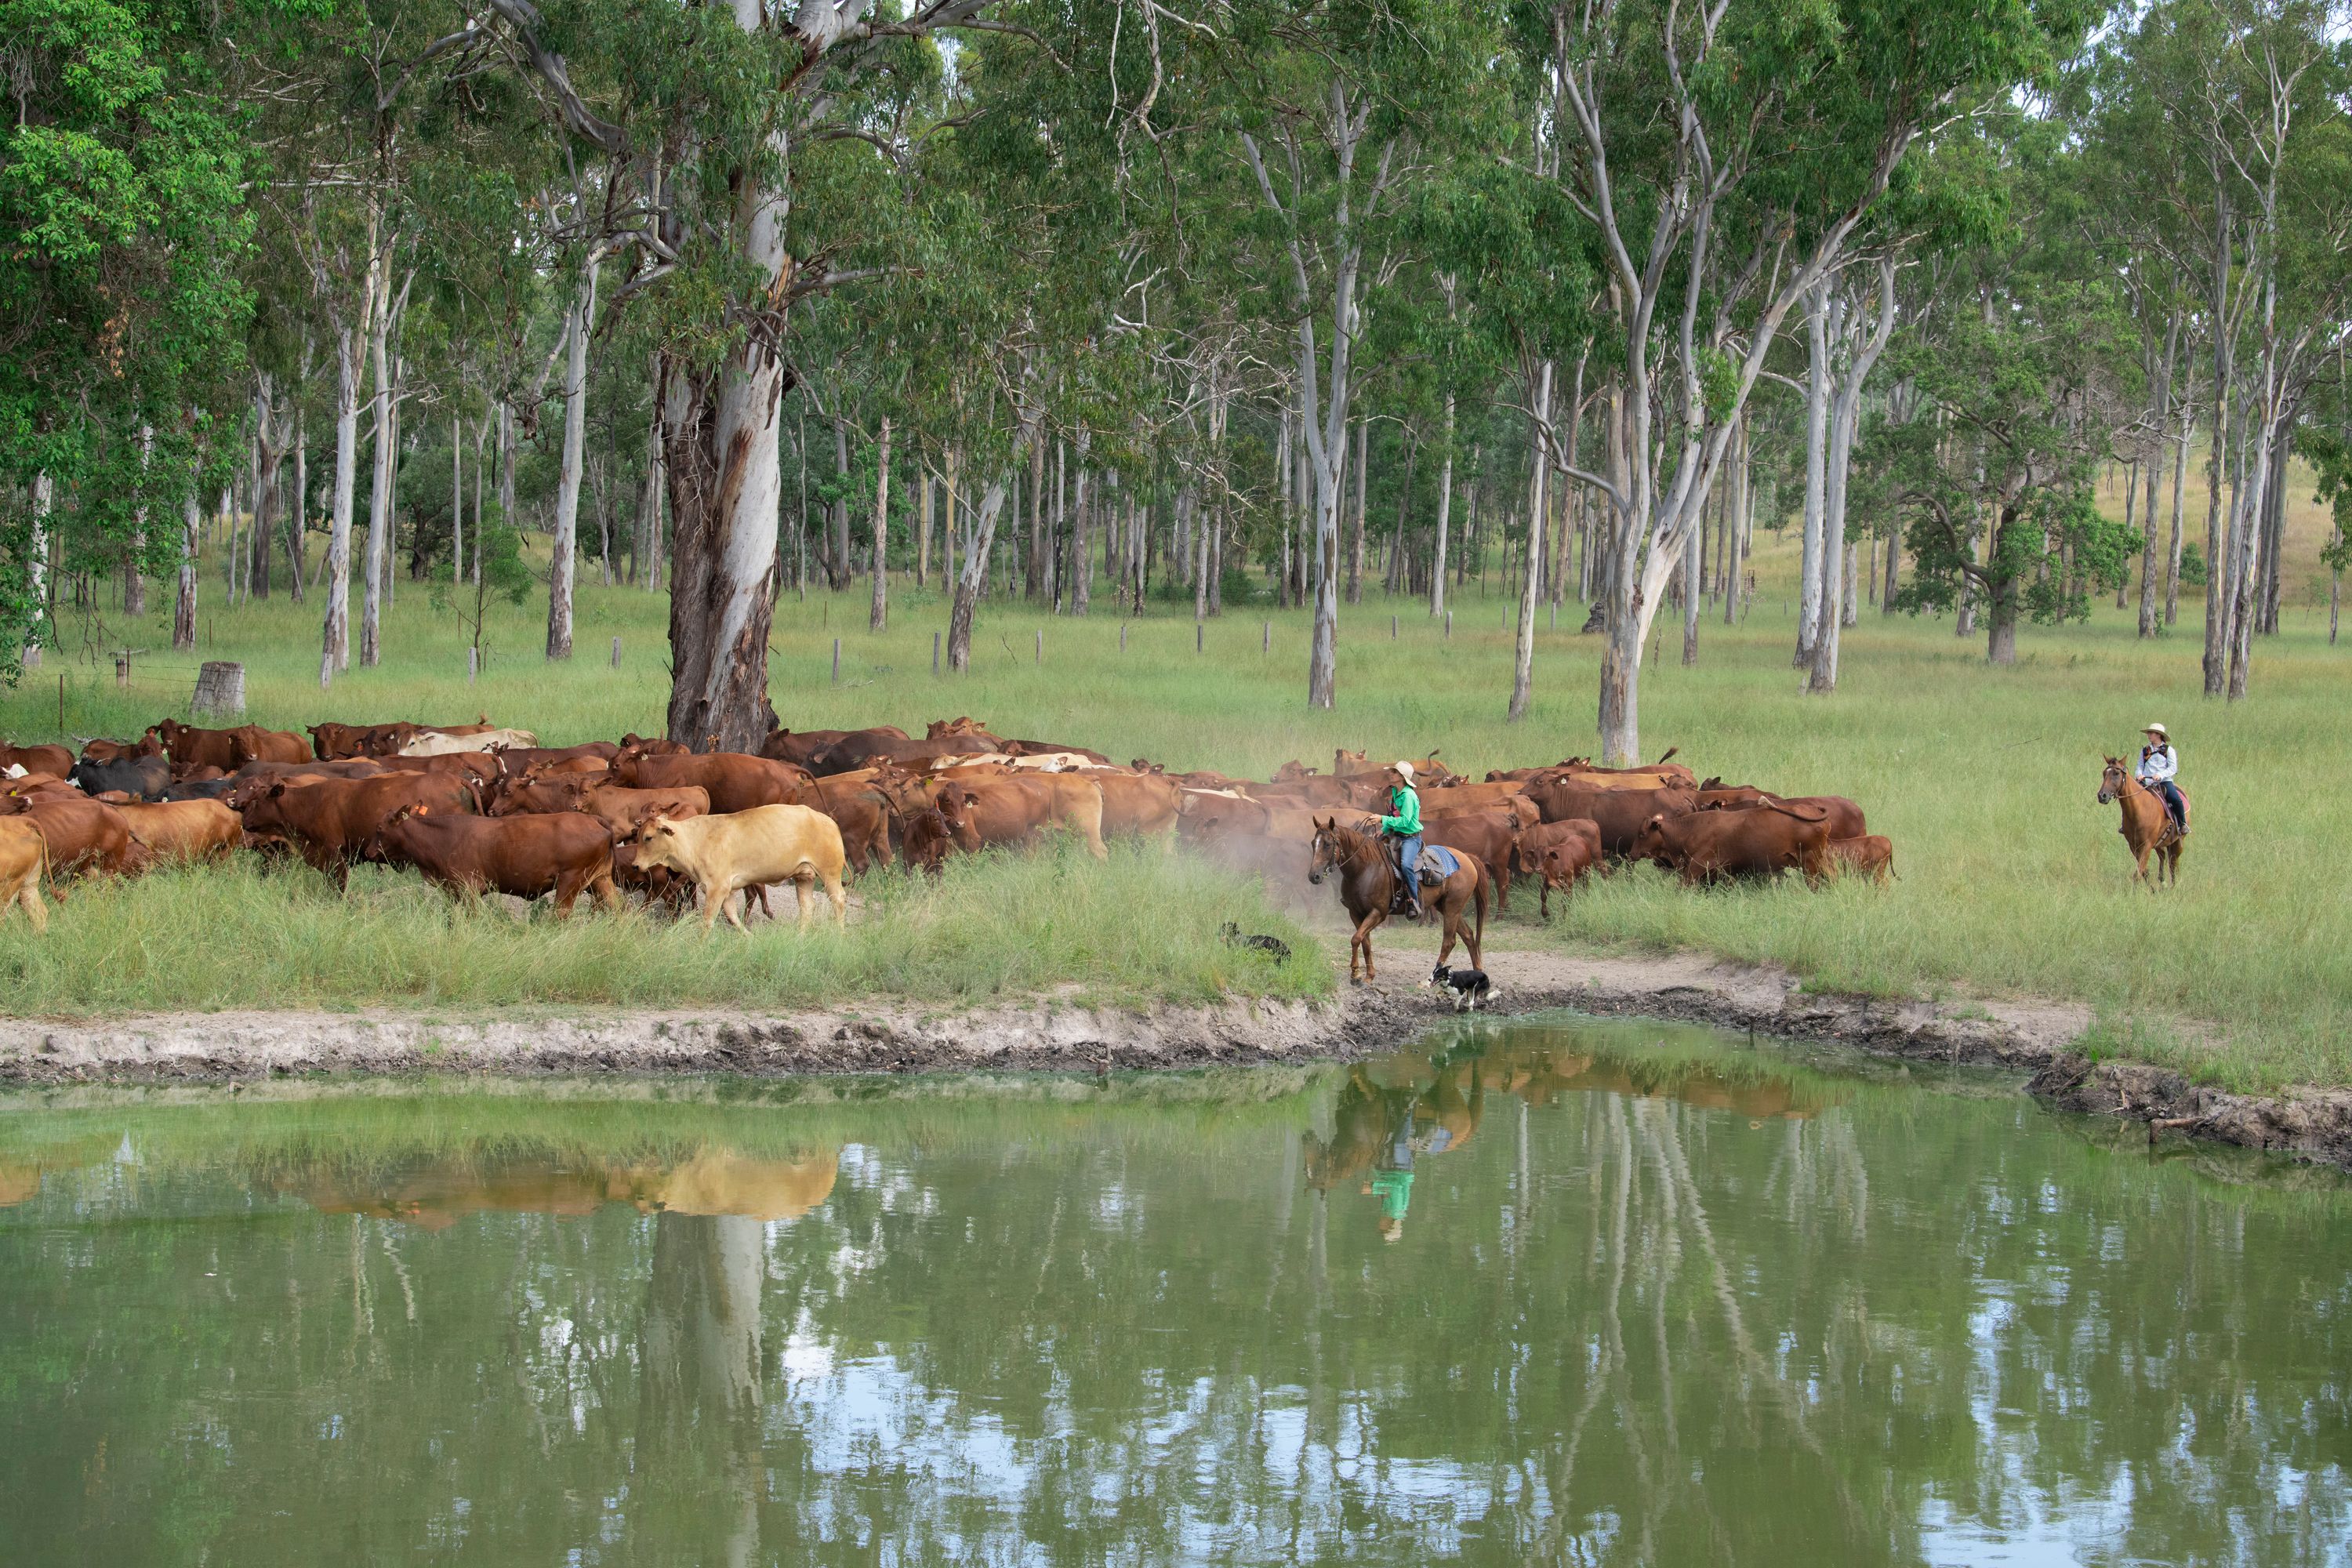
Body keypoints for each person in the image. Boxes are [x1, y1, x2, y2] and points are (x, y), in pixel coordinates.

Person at [1376, 761, 1425, 921]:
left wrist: (1381, 819)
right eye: (1391, 771)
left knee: (1405, 865)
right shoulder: (1396, 792)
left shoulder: (1409, 796)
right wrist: (1382, 831)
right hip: (1396, 835)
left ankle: (1414, 902)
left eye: (1394, 772)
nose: (1390, 774)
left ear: (1402, 778)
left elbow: (1405, 821)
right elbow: (1394, 817)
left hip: (1410, 839)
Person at [2136, 722, 2187, 837]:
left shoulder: (2169, 750)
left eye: (2151, 733)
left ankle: (2182, 824)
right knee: (2130, 797)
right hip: (2146, 782)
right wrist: (2139, 774)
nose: (2148, 735)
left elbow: (2173, 768)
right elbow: (2140, 766)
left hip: (2163, 782)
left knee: (2175, 799)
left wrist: (2160, 775)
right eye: (2148, 733)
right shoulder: (2145, 750)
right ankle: (2126, 824)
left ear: (2158, 735)